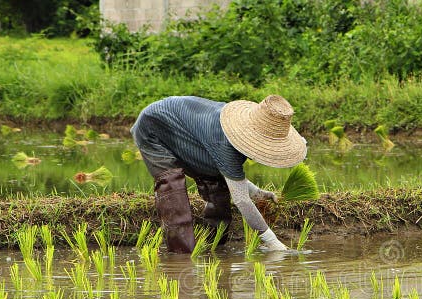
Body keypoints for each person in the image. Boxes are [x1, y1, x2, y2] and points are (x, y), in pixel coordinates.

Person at [131, 94, 307, 253]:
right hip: (153, 125)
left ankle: (214, 247)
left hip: (187, 130)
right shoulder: (226, 141)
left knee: (217, 186)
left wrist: (258, 193)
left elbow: (232, 177)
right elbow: (241, 200)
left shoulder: (233, 137)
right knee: (173, 191)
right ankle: (181, 258)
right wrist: (272, 241)